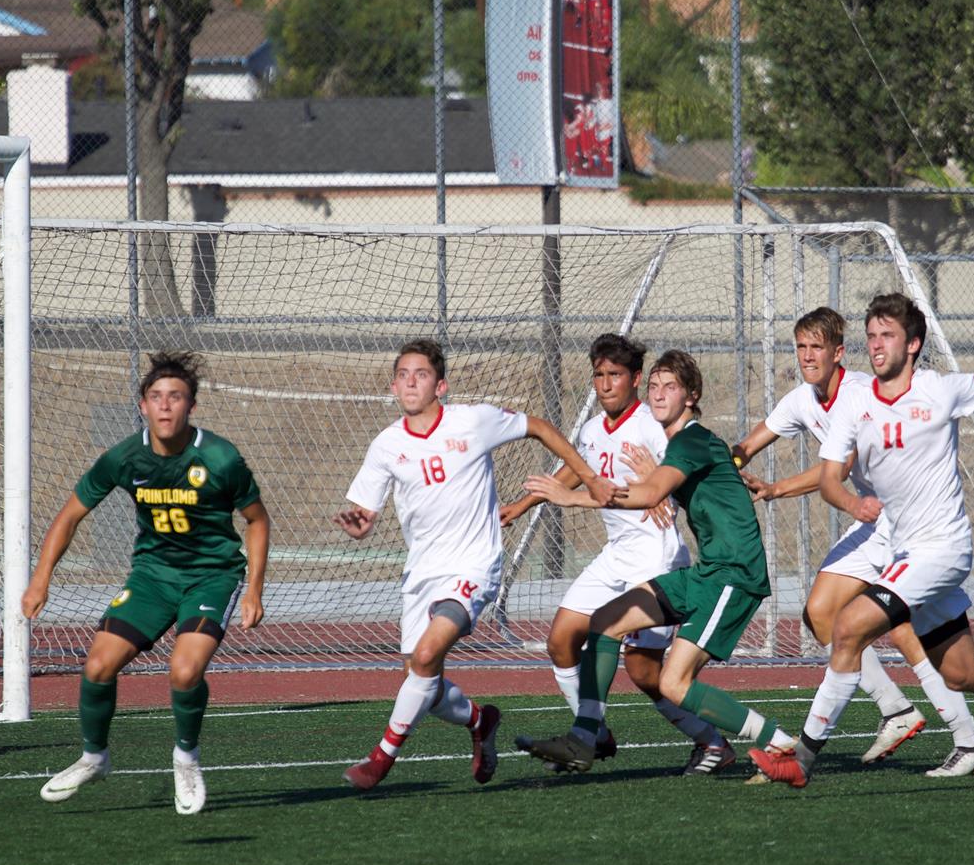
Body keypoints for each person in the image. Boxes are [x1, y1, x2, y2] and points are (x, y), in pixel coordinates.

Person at [748, 295, 974, 788]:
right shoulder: (856, 399)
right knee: (963, 673)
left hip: (943, 548)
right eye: (871, 335)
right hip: (900, 548)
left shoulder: (942, 389)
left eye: (887, 335)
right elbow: (830, 479)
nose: (876, 345)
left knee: (847, 625)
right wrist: (853, 505)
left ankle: (802, 758)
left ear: (912, 344)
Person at [337, 339, 612, 791]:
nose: (410, 380)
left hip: (474, 566)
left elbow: (539, 427)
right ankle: (481, 721)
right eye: (403, 373)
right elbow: (365, 516)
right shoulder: (386, 445)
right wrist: (358, 525)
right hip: (421, 573)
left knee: (426, 656)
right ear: (392, 385)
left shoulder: (473, 420)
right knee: (421, 676)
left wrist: (589, 477)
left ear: (440, 385)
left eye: (420, 373)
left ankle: (380, 759)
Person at [732, 307, 974, 778]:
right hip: (872, 524)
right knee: (820, 613)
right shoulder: (800, 400)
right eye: (801, 347)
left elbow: (840, 467)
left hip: (900, 521)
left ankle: (966, 736)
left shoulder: (858, 393)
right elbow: (745, 448)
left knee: (903, 628)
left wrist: (777, 489)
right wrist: (712, 466)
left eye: (816, 347)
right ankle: (896, 710)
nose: (807, 356)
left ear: (838, 353)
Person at [517, 350, 802, 775]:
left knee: (670, 682)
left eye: (670, 386)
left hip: (735, 575)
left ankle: (780, 744)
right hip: (707, 573)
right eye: (654, 386)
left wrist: (571, 496)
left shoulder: (691, 439)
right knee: (606, 622)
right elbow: (656, 487)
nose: (659, 394)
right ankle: (583, 738)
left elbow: (650, 496)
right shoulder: (676, 442)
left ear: (692, 395)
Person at [24, 351, 269, 815]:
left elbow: (257, 521)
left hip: (211, 577)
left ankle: (186, 758)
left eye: (175, 397)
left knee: (183, 670)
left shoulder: (219, 457)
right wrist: (41, 578)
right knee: (97, 665)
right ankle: (94, 757)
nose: (165, 406)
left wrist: (253, 589)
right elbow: (71, 513)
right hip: (152, 577)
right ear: (142, 405)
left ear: (190, 406)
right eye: (156, 397)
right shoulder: (125, 456)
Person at [498, 334, 733, 775]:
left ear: (636, 379)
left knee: (645, 673)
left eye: (615, 375)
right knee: (561, 638)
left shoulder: (652, 422)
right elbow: (577, 470)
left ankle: (713, 742)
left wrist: (665, 493)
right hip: (616, 555)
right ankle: (592, 731)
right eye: (599, 375)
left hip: (656, 557)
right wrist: (523, 503)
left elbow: (681, 470)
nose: (606, 384)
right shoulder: (591, 429)